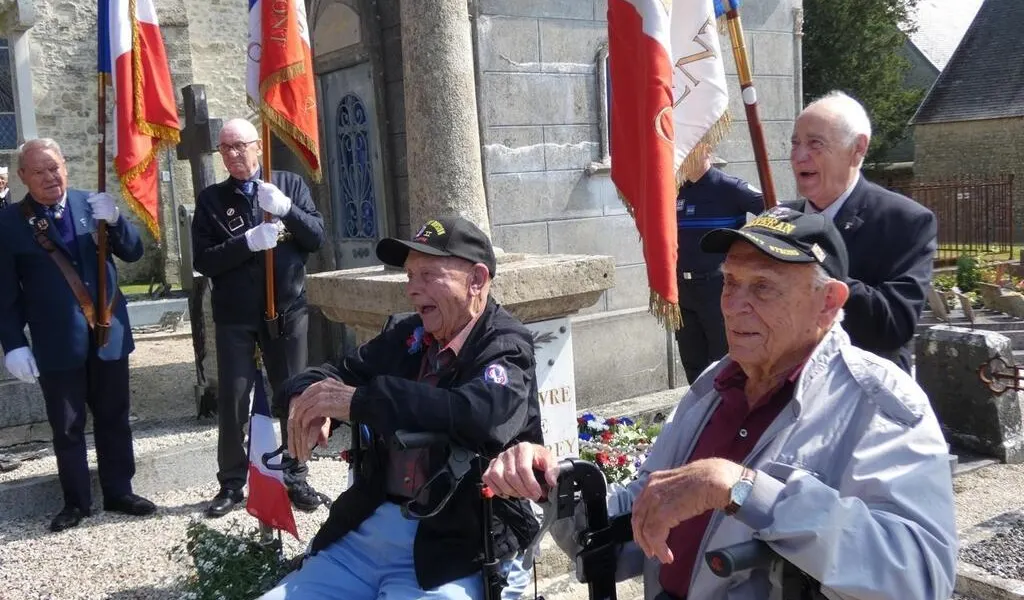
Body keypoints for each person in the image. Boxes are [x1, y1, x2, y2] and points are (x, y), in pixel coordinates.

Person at [483, 206, 958, 600]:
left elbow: (920, 577)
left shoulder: (876, 403)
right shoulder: (716, 383)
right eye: (730, 282)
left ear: (829, 303)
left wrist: (743, 490)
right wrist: (555, 483)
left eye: (763, 287)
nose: (733, 306)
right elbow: (637, 518)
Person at [258, 216, 543, 600]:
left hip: (455, 545)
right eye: (409, 276)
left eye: (427, 275)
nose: (412, 289)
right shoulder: (408, 333)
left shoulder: (505, 344)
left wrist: (361, 400)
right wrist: (308, 400)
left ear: (476, 280)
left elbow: (478, 415)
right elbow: (330, 372)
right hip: (366, 534)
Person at [0, 138, 156, 532]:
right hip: (57, 340)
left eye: (55, 167)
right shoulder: (9, 223)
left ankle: (119, 490)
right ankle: (76, 502)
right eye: (39, 171)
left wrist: (118, 220)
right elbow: (5, 294)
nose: (50, 177)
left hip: (107, 332)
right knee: (67, 425)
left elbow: (134, 252)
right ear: (22, 177)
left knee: (114, 416)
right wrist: (14, 344)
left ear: (65, 166)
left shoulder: (93, 205)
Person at [191, 118, 327, 518]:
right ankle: (232, 483)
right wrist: (247, 243)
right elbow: (204, 260)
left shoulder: (289, 184)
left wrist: (287, 211)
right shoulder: (212, 200)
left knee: (294, 394)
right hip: (235, 316)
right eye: (226, 148)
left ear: (258, 146)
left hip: (286, 310)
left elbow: (316, 237)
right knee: (234, 398)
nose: (234, 155)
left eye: (240, 146)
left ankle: (296, 474)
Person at [787, 90, 937, 373]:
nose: (799, 157)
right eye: (795, 144)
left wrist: (816, 266)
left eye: (815, 144)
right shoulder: (780, 218)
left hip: (863, 392)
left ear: (858, 149)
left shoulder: (905, 221)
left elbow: (894, 326)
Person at [674, 149, 763, 383]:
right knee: (693, 364)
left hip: (718, 289)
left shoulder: (729, 188)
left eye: (694, 147)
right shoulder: (676, 191)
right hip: (684, 290)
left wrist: (753, 256)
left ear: (708, 151)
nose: (686, 155)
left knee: (725, 363)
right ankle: (702, 418)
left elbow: (776, 211)